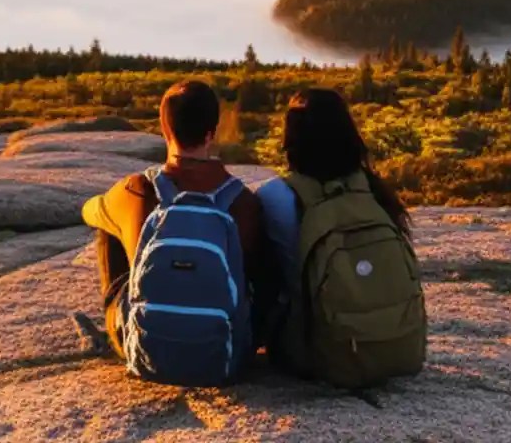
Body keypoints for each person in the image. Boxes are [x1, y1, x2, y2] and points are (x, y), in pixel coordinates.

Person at [82, 80, 267, 386]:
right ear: (212, 132)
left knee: (107, 228)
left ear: (164, 130)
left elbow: (90, 212)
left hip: (149, 351)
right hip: (226, 356)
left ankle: (126, 325)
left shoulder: (137, 190)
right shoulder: (245, 203)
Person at [257, 87, 426, 389]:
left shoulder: (275, 196)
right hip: (400, 345)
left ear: (291, 138)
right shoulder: (374, 191)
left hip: (313, 355)